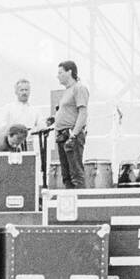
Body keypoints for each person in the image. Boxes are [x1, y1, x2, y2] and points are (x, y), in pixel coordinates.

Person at [53, 60, 90, 189]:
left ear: (69, 72)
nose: (58, 76)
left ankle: (80, 201)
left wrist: (73, 134)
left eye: (60, 72)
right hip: (62, 135)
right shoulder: (67, 91)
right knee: (66, 174)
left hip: (71, 135)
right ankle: (70, 200)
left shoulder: (79, 88)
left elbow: (83, 112)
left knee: (76, 173)